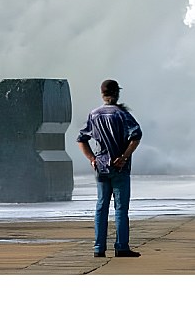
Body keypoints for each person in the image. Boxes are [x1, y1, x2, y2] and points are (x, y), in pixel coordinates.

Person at [76, 78, 143, 258]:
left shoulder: (94, 114)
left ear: (102, 94)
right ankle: (121, 247)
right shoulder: (122, 114)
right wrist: (124, 156)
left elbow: (81, 139)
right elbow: (136, 136)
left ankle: (99, 248)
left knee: (101, 207)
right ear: (117, 93)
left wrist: (92, 159)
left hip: (101, 166)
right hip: (120, 167)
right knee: (120, 209)